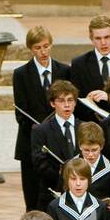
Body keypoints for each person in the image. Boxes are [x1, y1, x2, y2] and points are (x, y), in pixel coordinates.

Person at [13, 25, 70, 210]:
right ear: (31, 49)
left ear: (51, 45)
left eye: (46, 46)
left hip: (59, 144)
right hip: (31, 145)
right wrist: (44, 129)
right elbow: (21, 114)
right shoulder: (21, 74)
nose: (43, 51)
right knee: (32, 200)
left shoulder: (64, 71)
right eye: (38, 48)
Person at [30, 79, 82, 209]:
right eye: (61, 101)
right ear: (53, 103)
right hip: (53, 193)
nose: (67, 105)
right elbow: (40, 163)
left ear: (75, 102)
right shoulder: (41, 130)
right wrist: (64, 180)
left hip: (82, 193)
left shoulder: (84, 127)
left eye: (70, 100)